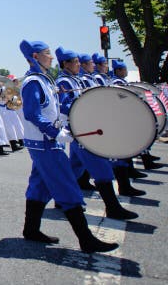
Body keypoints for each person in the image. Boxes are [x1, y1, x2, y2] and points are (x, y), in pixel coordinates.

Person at [18, 39, 117, 253]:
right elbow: (32, 114)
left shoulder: (44, 80)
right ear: (35, 56)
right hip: (45, 142)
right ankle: (86, 239)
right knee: (66, 186)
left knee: (40, 186)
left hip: (46, 141)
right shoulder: (34, 82)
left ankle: (31, 229)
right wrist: (56, 132)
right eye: (46, 53)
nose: (51, 56)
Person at [54, 47, 139, 220]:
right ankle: (112, 207)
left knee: (75, 167)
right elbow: (64, 105)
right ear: (66, 63)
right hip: (80, 127)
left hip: (83, 125)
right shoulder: (64, 82)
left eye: (79, 62)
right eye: (76, 62)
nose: (79, 65)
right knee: (100, 167)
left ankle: (60, 198)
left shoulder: (74, 80)